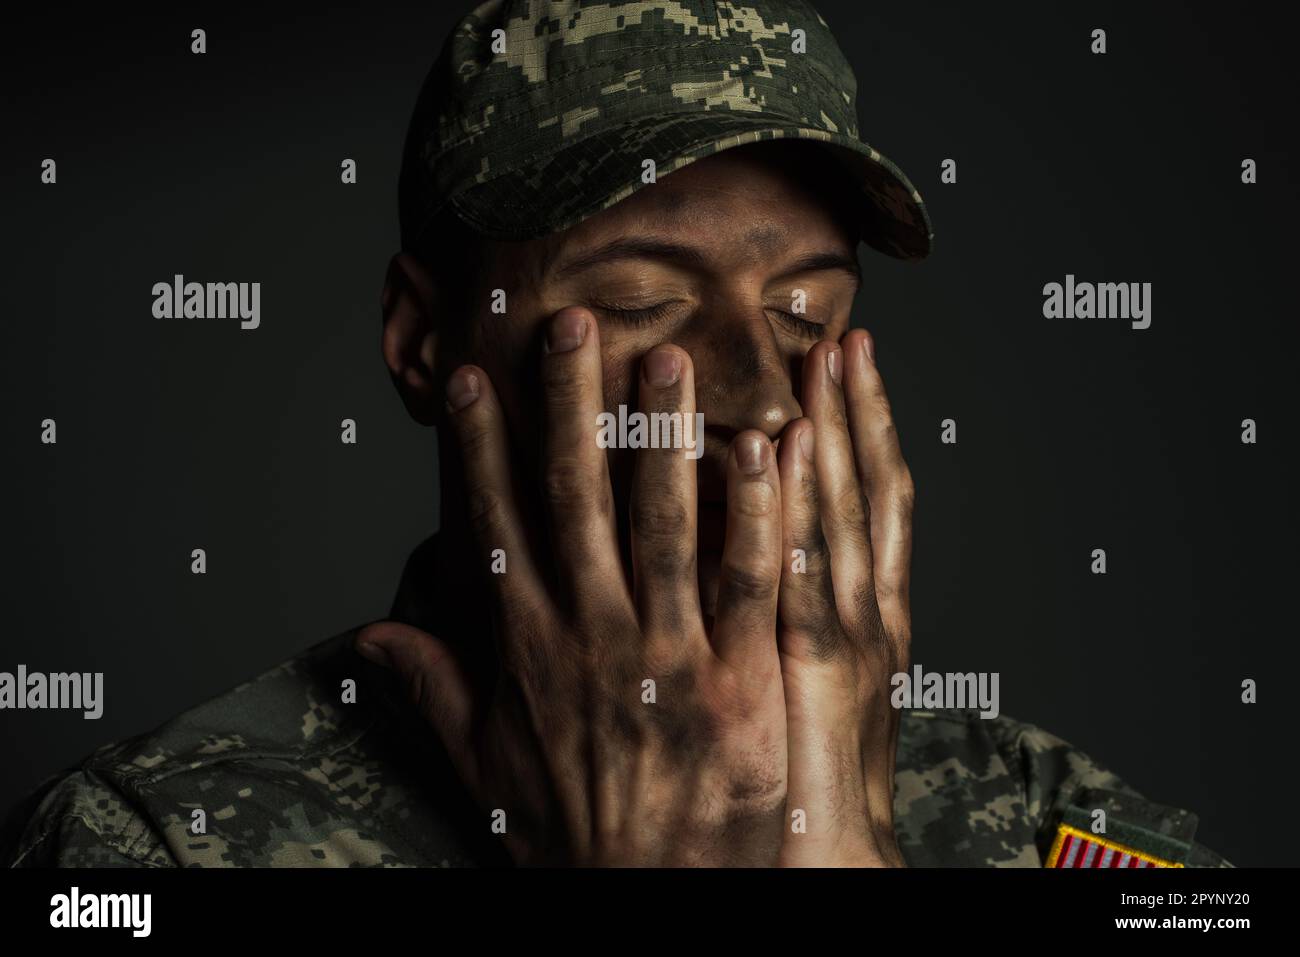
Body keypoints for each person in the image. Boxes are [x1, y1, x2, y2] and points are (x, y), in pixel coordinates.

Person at [4, 0, 1227, 868]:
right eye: (640, 305)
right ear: (425, 342)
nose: (760, 396)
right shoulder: (143, 850)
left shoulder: (1036, 813)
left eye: (806, 312)